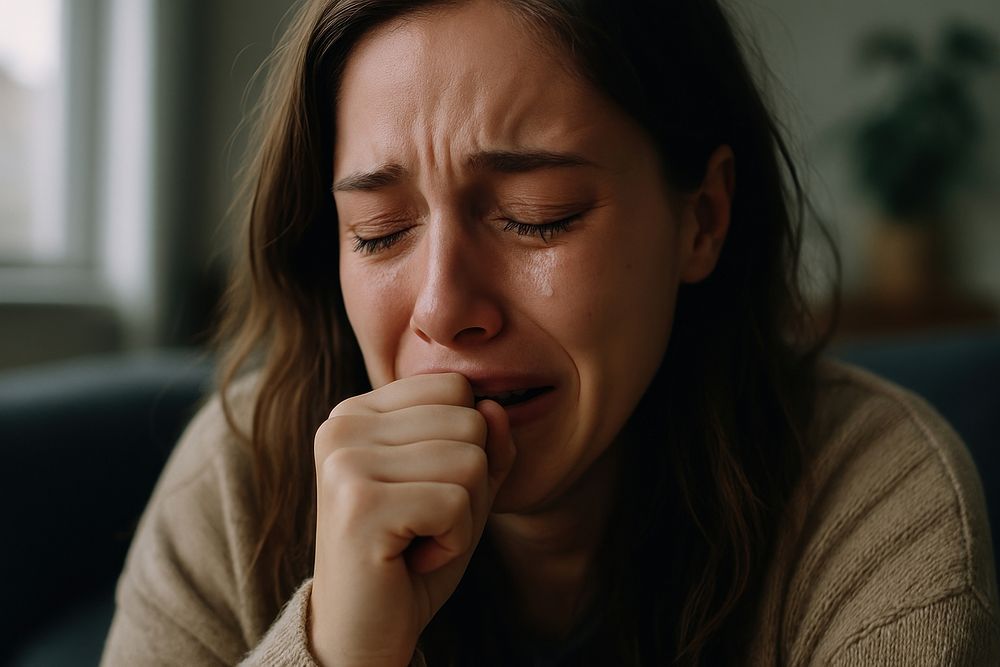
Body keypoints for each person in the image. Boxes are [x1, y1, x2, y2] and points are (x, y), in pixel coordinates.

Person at [101, 0, 1000, 665]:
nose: (443, 307)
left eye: (539, 215)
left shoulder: (876, 504)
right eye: (378, 232)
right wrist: (340, 648)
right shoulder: (239, 473)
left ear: (704, 219)